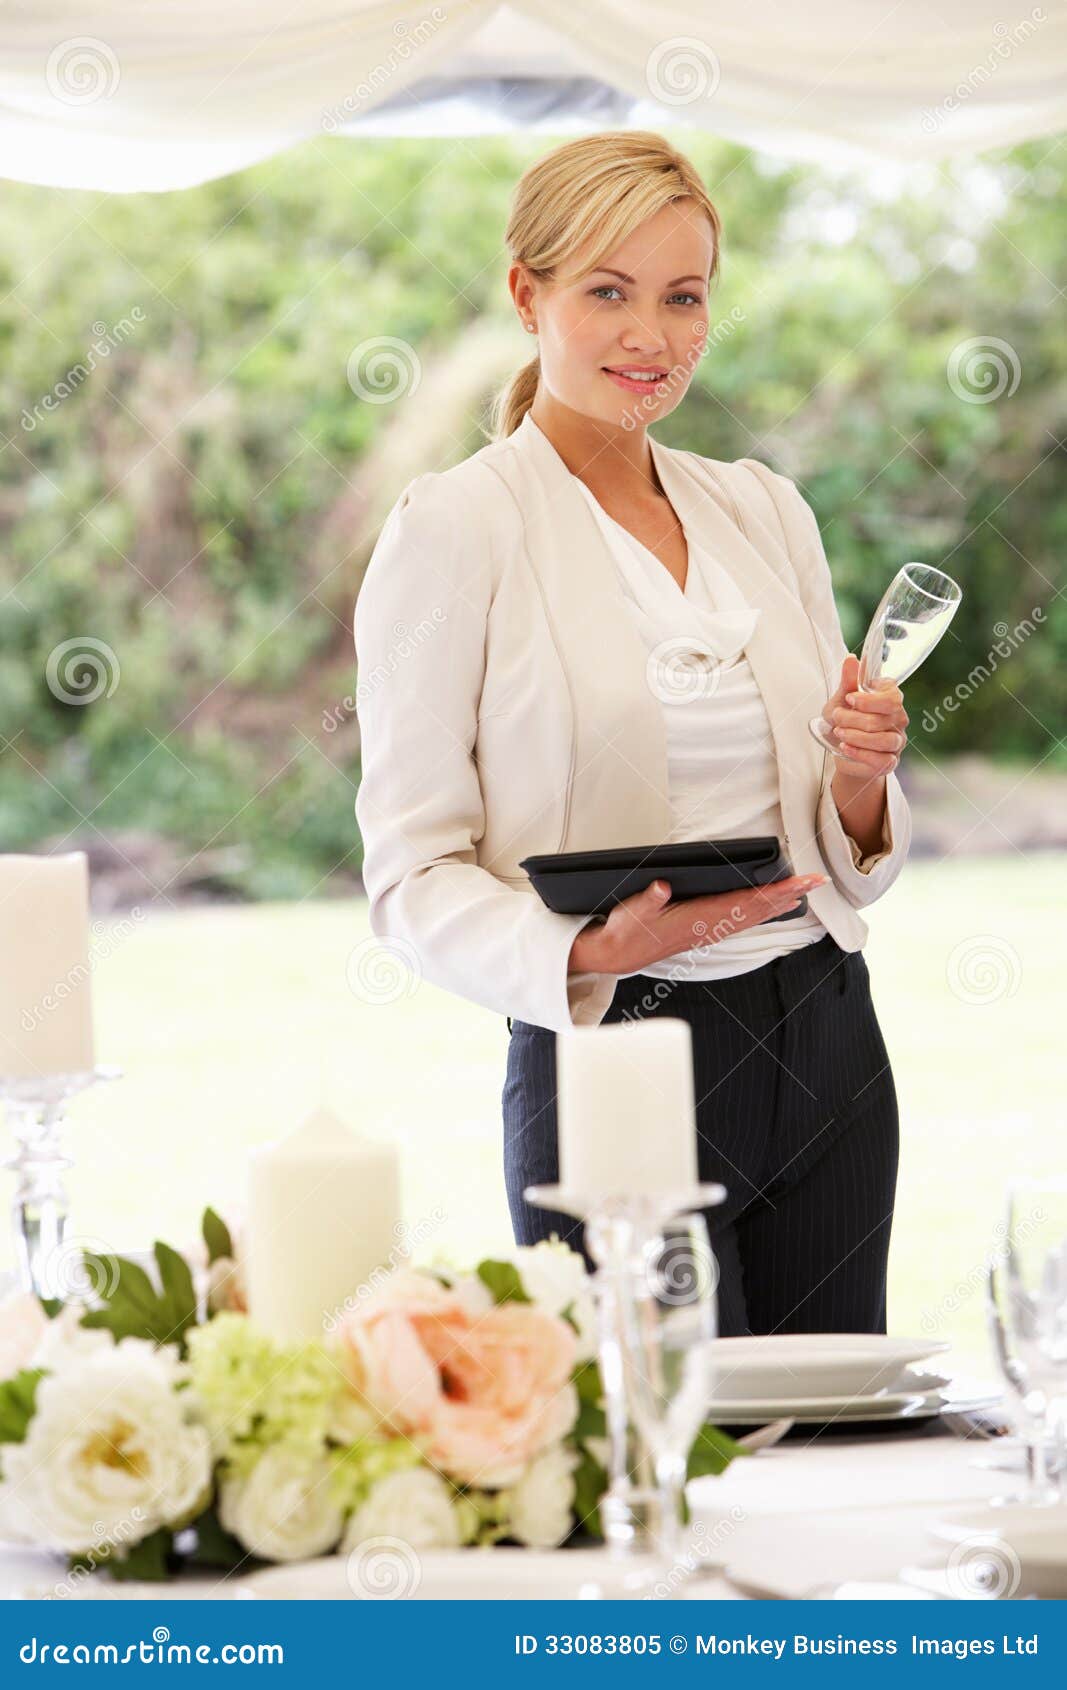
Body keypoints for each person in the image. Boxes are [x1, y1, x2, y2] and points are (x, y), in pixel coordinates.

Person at [353, 131, 911, 1337]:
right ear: (527, 295)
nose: (648, 337)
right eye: (607, 292)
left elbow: (839, 832)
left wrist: (861, 783)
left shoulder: (761, 507)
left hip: (823, 1038)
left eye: (681, 296)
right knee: (657, 1465)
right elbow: (407, 873)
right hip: (614, 1051)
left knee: (834, 1458)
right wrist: (588, 955)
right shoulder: (456, 530)